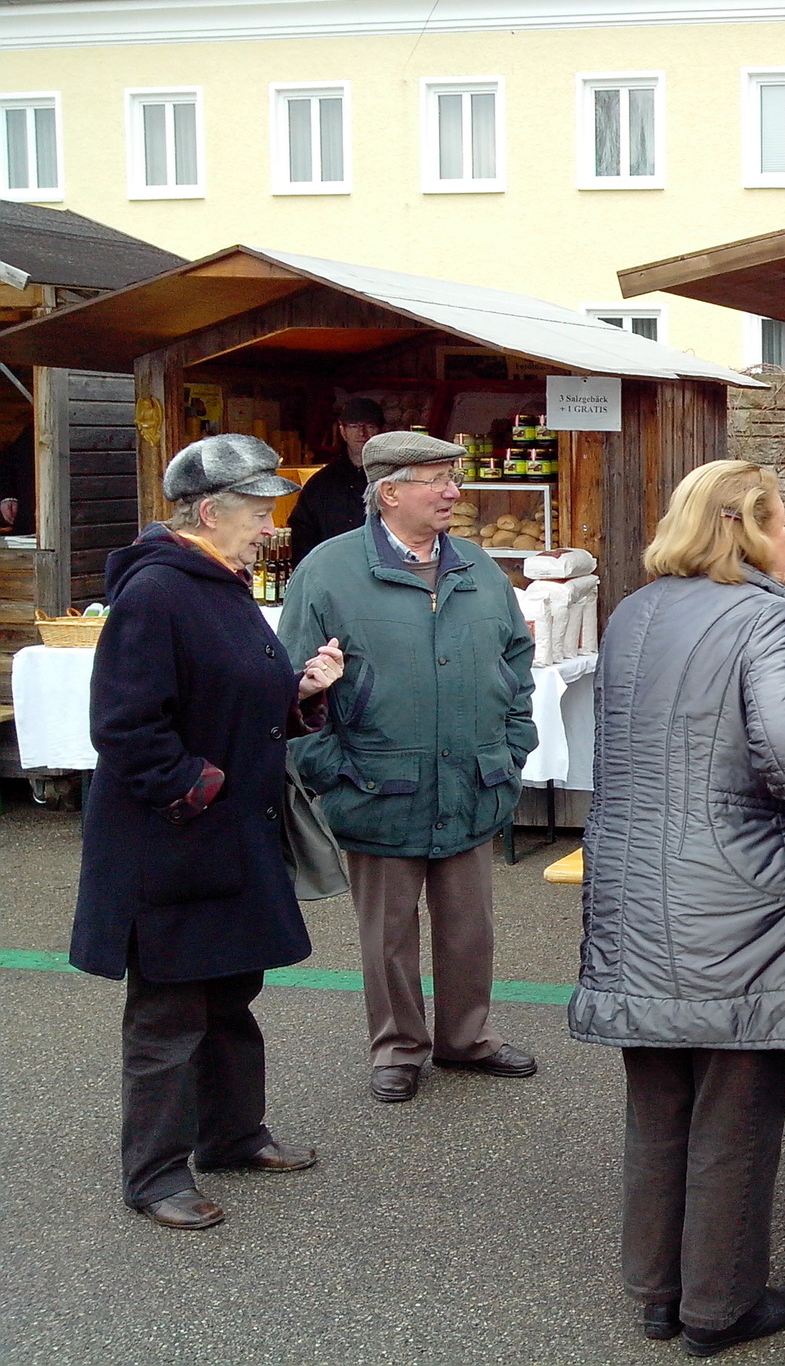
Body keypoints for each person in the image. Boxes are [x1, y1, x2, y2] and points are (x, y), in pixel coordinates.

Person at [570, 459, 785, 1352]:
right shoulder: (768, 613)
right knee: (737, 1102)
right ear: (751, 526)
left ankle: (659, 1291)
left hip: (629, 881)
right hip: (735, 890)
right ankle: (718, 1307)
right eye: (781, 520)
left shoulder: (633, 611)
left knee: (658, 1094)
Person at [69, 435, 346, 1230]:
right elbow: (125, 727)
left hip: (227, 835)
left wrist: (297, 694)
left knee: (229, 991)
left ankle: (232, 1134)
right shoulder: (159, 592)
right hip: (175, 842)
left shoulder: (216, 585)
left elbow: (225, 696)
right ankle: (154, 1176)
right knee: (169, 1012)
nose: (271, 527)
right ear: (210, 510)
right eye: (259, 512)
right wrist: (199, 789)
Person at [280, 430, 537, 1105]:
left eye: (453, 477)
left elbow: (516, 663)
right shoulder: (328, 572)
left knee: (469, 925)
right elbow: (290, 685)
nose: (454, 492)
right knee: (387, 933)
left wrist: (513, 747)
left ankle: (466, 1037)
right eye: (437, 479)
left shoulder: (478, 568)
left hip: (473, 778)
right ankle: (397, 1048)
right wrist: (329, 770)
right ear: (390, 492)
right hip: (374, 784)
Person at [286, 396, 385, 552]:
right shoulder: (321, 483)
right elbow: (302, 532)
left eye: (370, 426)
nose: (362, 433)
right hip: (331, 570)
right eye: (353, 426)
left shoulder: (393, 480)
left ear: (381, 431)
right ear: (342, 431)